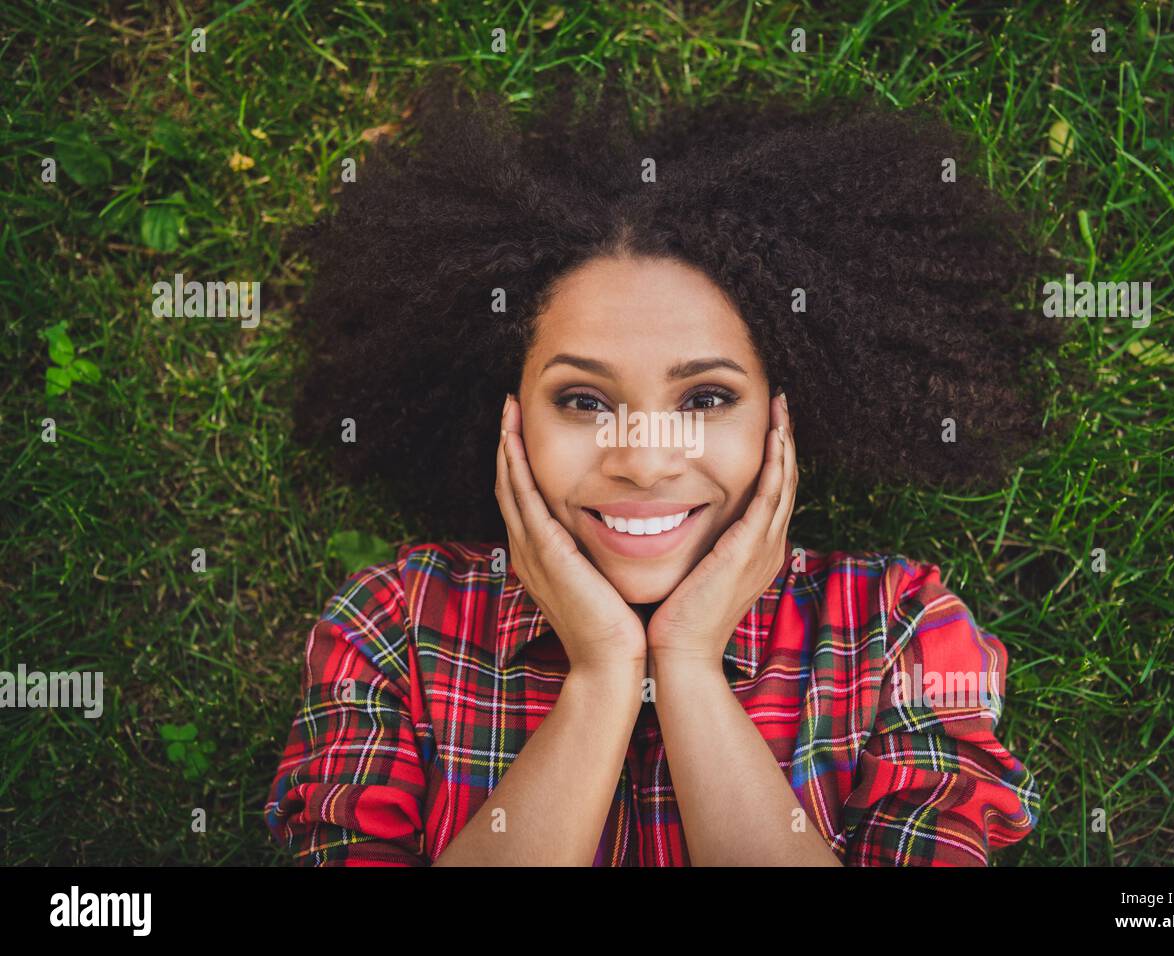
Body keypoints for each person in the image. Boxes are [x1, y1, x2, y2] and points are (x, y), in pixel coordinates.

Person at [265, 66, 1061, 866]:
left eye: (706, 399)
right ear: (505, 414)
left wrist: (687, 667)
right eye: (582, 401)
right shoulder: (396, 625)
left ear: (786, 414)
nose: (643, 462)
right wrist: (603, 675)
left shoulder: (898, 632)